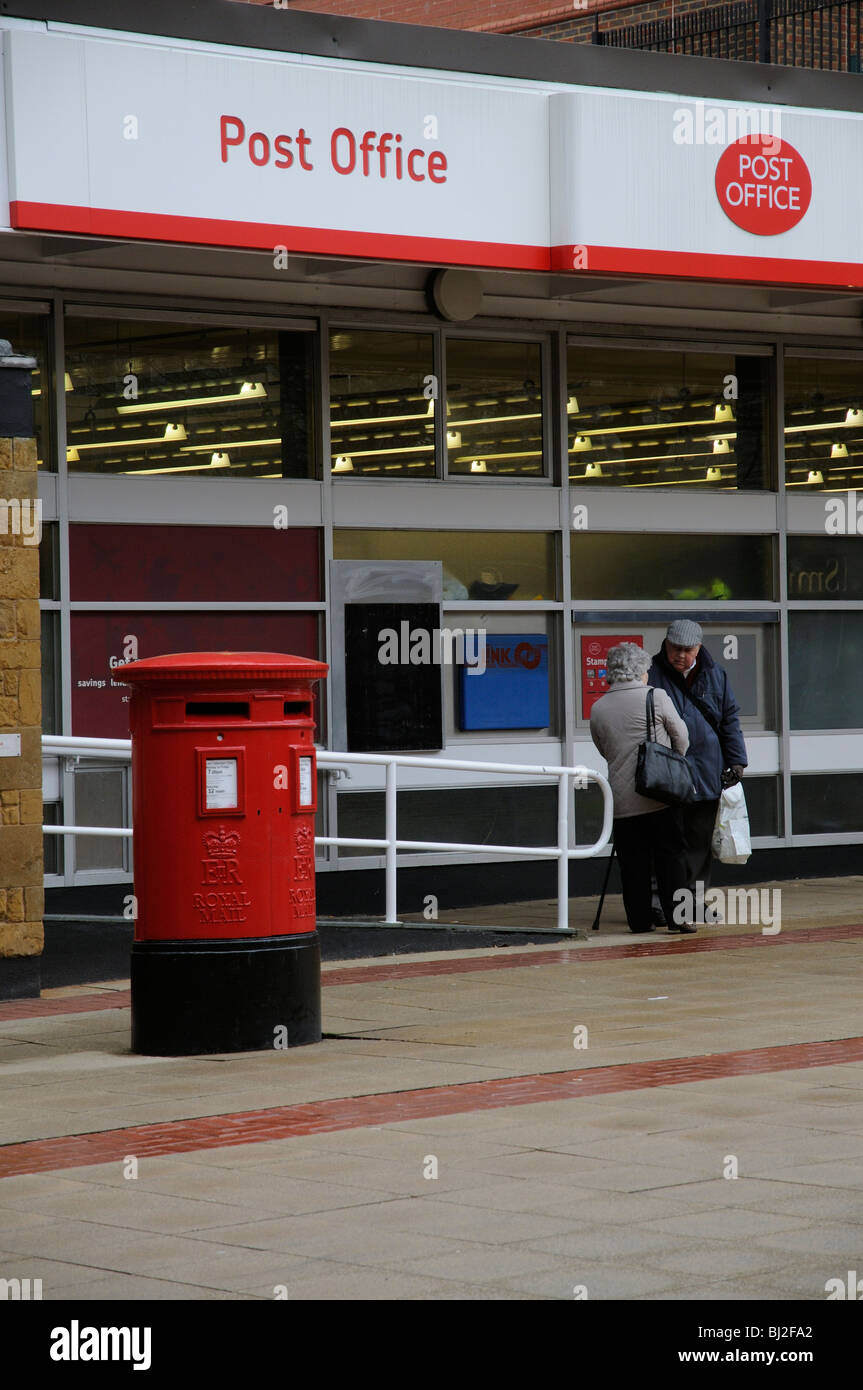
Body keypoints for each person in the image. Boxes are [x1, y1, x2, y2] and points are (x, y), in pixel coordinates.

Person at [589, 643, 693, 934]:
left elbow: (604, 749)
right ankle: (678, 918)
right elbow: (682, 737)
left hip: (622, 801)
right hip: (659, 795)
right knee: (670, 857)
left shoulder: (598, 708)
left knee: (633, 864)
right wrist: (671, 763)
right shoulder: (656, 697)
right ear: (639, 671)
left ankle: (639, 921)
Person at [648, 619, 747, 923]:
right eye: (675, 648)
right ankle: (660, 903)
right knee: (666, 841)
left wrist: (737, 761)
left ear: (699, 648)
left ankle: (693, 902)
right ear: (665, 644)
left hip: (706, 771)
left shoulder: (716, 675)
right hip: (667, 772)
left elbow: (729, 719)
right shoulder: (650, 674)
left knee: (700, 842)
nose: (680, 655)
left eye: (687, 650)